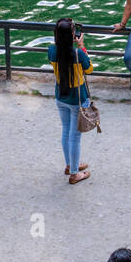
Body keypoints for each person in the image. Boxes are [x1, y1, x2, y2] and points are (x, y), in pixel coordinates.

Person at [48, 18, 93, 183]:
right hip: (77, 99)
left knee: (66, 131)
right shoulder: (78, 53)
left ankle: (69, 165)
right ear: (73, 35)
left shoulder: (51, 51)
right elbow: (89, 69)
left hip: (61, 96)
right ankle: (74, 174)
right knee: (75, 137)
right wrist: (81, 46)